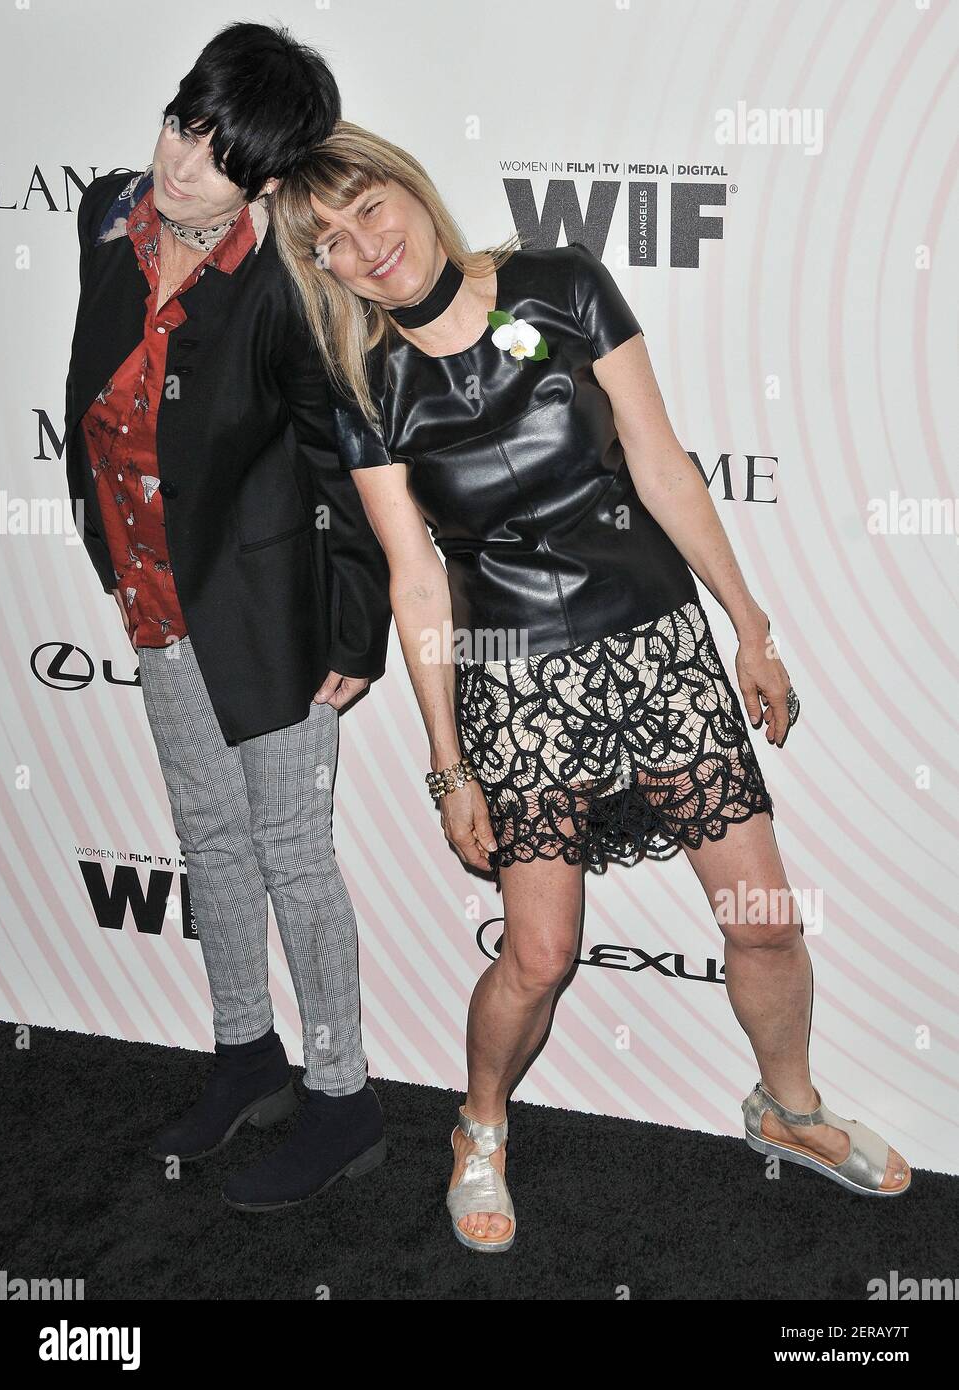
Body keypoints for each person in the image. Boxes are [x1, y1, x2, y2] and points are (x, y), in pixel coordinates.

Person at [272, 121, 912, 1252]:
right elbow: (416, 583)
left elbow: (660, 463)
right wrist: (447, 764)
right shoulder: (361, 386)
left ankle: (789, 1107)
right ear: (320, 269)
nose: (365, 245)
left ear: (410, 191)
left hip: (658, 644)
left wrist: (748, 624)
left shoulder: (560, 284)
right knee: (538, 954)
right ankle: (478, 1126)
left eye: (369, 207)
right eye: (329, 240)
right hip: (516, 683)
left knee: (762, 920)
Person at [64, 29, 392, 1212]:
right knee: (210, 839)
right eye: (179, 122)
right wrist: (112, 557)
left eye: (219, 151)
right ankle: (246, 1053)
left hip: (269, 610)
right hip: (154, 596)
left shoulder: (289, 278)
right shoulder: (110, 219)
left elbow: (344, 455)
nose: (183, 161)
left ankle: (345, 1098)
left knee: (292, 853)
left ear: (267, 175)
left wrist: (358, 632)